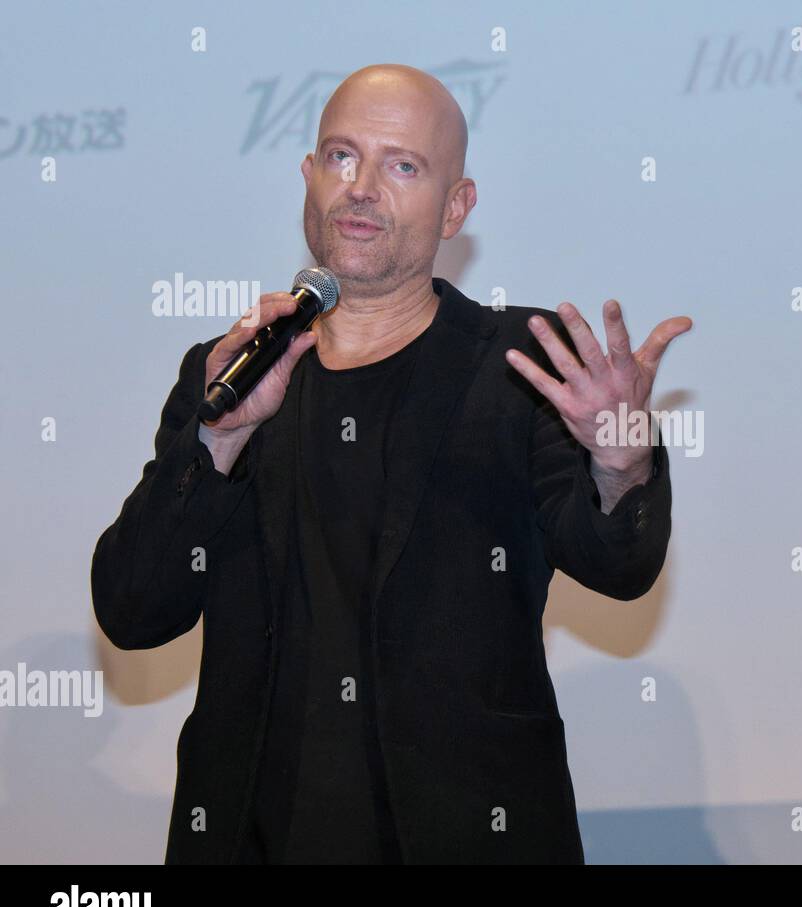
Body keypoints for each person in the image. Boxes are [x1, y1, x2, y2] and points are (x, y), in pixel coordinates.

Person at [91, 64, 691, 864]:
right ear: (307, 177)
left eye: (402, 165)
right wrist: (220, 441)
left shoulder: (523, 362)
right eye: (341, 157)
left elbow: (617, 566)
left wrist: (620, 463)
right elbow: (133, 610)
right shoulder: (229, 369)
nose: (362, 187)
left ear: (456, 206)